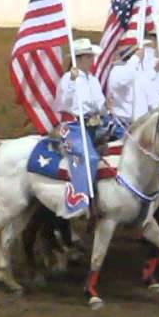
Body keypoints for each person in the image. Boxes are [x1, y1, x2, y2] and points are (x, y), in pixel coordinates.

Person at [53, 38, 107, 207]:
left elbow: (100, 103)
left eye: (92, 57)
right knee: (89, 158)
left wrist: (104, 109)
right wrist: (71, 83)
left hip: (94, 125)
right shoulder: (67, 79)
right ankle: (80, 199)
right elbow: (62, 104)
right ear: (80, 59)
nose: (92, 60)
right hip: (73, 126)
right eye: (89, 57)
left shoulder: (93, 79)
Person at [106, 37, 159, 135]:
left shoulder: (140, 74)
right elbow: (123, 79)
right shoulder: (117, 71)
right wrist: (136, 59)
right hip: (124, 126)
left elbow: (153, 98)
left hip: (144, 126)